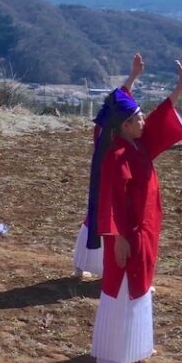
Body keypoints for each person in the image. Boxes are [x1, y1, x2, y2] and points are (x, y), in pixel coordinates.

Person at [90, 57, 182, 363]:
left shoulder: (138, 146)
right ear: (124, 126)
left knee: (140, 289)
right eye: (137, 117)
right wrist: (116, 237)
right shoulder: (116, 157)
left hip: (143, 233)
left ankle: (134, 345)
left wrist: (177, 92)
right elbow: (111, 202)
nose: (144, 120)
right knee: (119, 291)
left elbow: (161, 121)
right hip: (126, 235)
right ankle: (107, 355)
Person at [73, 54, 145, 279]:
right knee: (105, 217)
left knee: (95, 216)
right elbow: (123, 101)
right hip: (108, 179)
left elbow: (122, 98)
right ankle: (100, 266)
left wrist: (133, 75)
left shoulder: (107, 124)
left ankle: (81, 264)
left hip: (104, 177)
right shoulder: (111, 133)